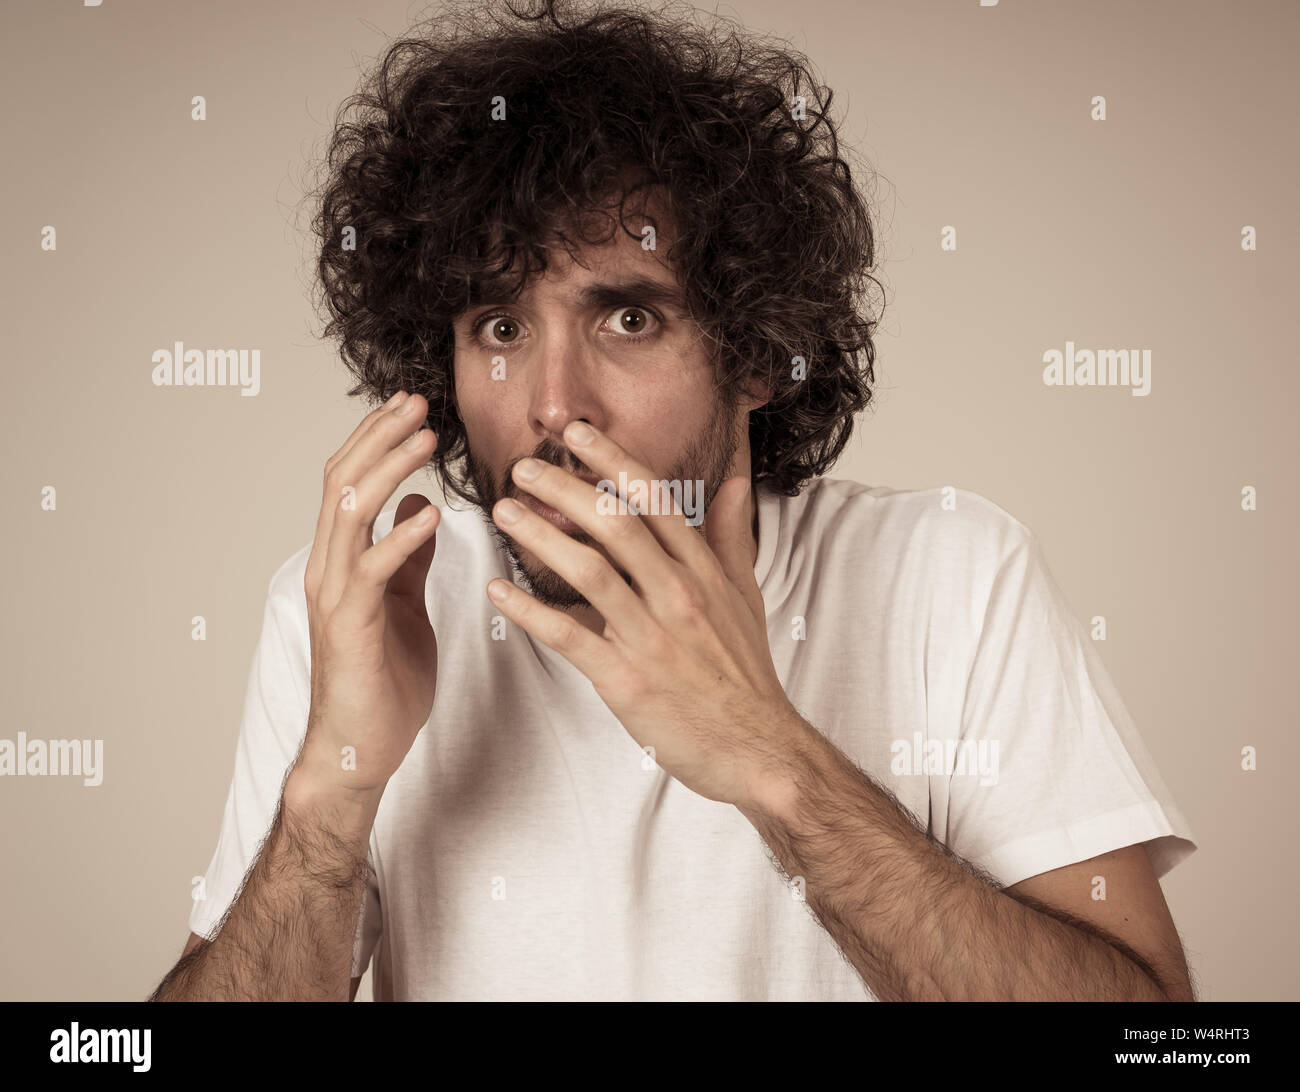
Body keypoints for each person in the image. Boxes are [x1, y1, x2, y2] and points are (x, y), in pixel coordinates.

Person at [151, 0, 1197, 1001]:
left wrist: (771, 757)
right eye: (501, 330)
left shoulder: (949, 575)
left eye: (627, 321)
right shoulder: (357, 608)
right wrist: (331, 797)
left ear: (751, 355)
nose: (554, 405)